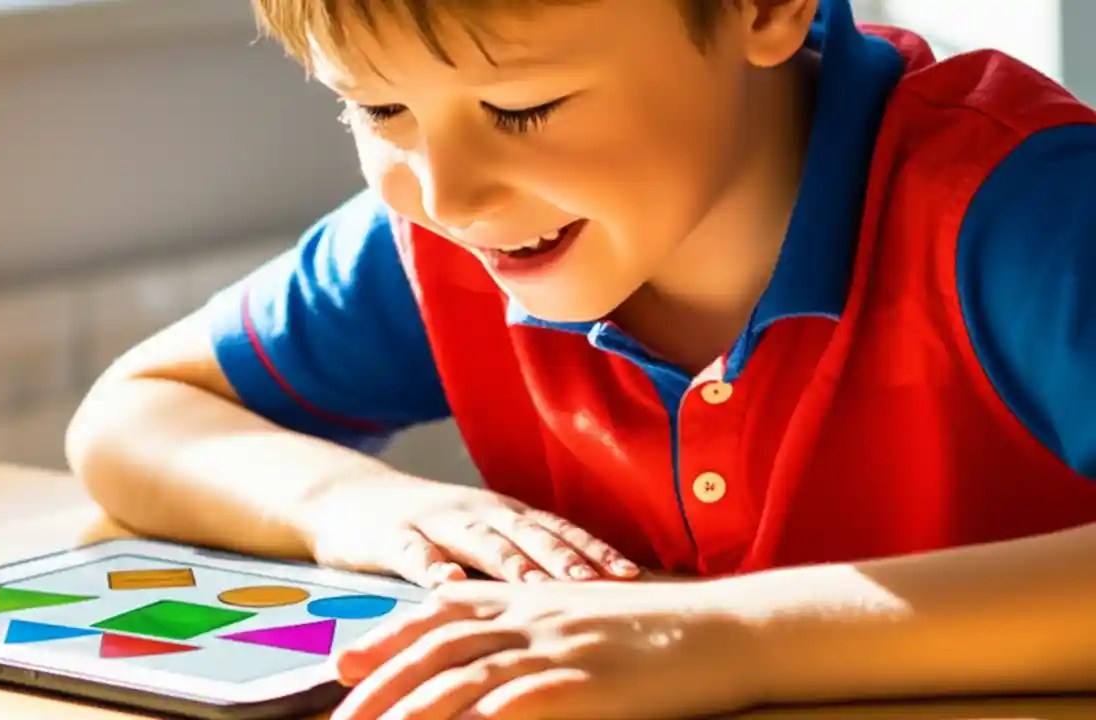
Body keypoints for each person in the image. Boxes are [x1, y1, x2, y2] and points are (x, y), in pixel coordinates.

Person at [66, 0, 1096, 717]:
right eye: (379, 109)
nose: (447, 193)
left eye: (522, 108)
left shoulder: (1020, 211)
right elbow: (135, 414)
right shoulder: (444, 241)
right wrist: (357, 506)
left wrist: (720, 637)